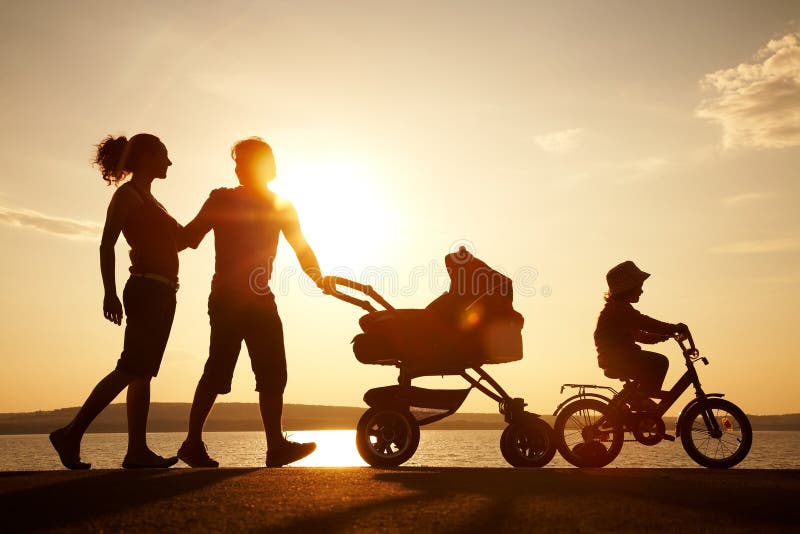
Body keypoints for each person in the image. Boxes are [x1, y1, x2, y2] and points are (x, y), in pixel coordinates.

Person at [177, 137, 329, 468]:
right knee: (221, 371)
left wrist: (320, 279)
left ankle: (275, 446)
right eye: (239, 161)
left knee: (269, 372)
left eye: (242, 161)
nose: (237, 167)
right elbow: (188, 238)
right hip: (232, 298)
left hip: (257, 297)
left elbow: (301, 248)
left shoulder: (277, 205)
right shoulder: (227, 199)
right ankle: (193, 443)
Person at [50, 133, 181, 469]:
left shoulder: (153, 201)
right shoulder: (128, 196)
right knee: (129, 368)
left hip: (164, 292)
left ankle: (136, 450)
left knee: (142, 373)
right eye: (163, 155)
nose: (169, 162)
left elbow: (179, 242)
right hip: (146, 290)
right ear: (146, 157)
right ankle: (71, 432)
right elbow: (107, 244)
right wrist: (108, 291)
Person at [594, 261, 687, 405]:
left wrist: (663, 337)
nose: (641, 291)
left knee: (645, 374)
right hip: (619, 359)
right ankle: (640, 400)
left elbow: (639, 335)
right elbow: (646, 323)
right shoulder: (619, 310)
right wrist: (673, 328)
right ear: (628, 289)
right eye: (639, 287)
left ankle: (634, 400)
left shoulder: (617, 310)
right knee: (660, 362)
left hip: (617, 358)